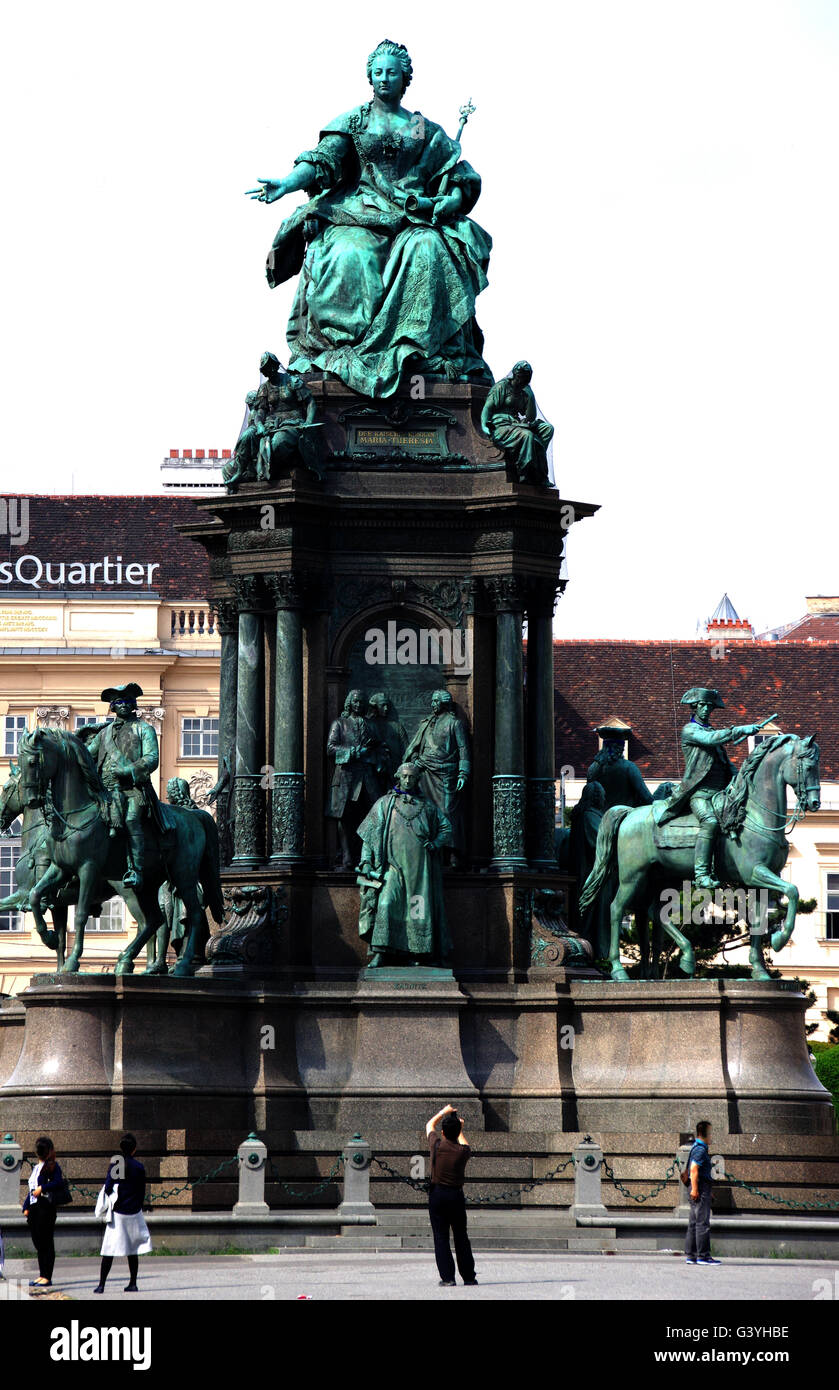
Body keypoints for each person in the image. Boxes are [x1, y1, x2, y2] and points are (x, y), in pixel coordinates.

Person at [246, 39, 493, 398]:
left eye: (392, 72)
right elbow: (321, 160)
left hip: (411, 216)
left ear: (405, 78)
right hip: (357, 213)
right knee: (350, 256)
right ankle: (342, 353)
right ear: (369, 77)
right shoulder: (354, 121)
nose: (384, 79)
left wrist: (450, 199)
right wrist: (287, 183)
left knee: (431, 248)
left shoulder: (419, 127)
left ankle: (414, 351)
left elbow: (451, 172)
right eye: (378, 72)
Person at [659, 687, 767, 891]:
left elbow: (725, 762)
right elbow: (712, 739)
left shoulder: (710, 731)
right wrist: (741, 730)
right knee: (709, 822)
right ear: (695, 707)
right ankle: (701, 874)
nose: (707, 709)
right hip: (699, 793)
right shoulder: (691, 731)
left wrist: (740, 778)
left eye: (710, 706)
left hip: (720, 793)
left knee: (740, 819)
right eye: (703, 705)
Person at [357, 762, 453, 967]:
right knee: (386, 904)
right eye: (405, 776)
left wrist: (436, 843)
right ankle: (381, 952)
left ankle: (418, 954)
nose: (408, 780)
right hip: (392, 868)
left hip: (420, 871)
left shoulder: (428, 807)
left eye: (412, 777)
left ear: (418, 780)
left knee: (417, 911)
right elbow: (369, 836)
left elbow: (446, 828)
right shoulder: (384, 804)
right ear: (398, 777)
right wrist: (365, 861)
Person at [78, 682, 160, 890]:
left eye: (128, 701)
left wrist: (128, 770)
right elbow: (88, 755)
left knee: (132, 818)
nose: (123, 705)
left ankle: (136, 869)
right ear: (113, 706)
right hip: (106, 792)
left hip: (133, 790)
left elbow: (152, 758)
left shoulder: (144, 728)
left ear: (133, 704)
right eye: (119, 701)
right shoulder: (104, 734)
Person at [425, 1104, 477, 1287]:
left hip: (438, 1194)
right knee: (461, 1236)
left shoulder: (437, 1145)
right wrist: (460, 1128)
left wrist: (442, 1112)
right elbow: (464, 1143)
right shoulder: (463, 1152)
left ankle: (448, 1277)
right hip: (456, 1195)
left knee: (441, 1237)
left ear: (443, 1133)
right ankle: (469, 1276)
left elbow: (429, 1126)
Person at [94, 1133, 152, 1294]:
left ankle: (101, 1285)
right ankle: (132, 1282)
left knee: (109, 1249)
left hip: (118, 1211)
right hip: (134, 1211)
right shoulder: (139, 1166)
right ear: (134, 1149)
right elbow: (141, 1191)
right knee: (132, 1250)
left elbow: (108, 1186)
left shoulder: (117, 1164)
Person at [22, 1135, 65, 1289]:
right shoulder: (36, 1168)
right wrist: (26, 1206)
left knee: (46, 1242)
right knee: (39, 1243)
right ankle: (42, 1274)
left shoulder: (53, 1166)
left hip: (45, 1209)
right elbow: (31, 1189)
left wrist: (43, 1188)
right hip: (34, 1209)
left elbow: (58, 1182)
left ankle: (47, 1276)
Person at [685, 1119, 720, 1266]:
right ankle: (703, 1256)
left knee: (694, 1223)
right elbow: (693, 1169)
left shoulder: (697, 1147)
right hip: (700, 1188)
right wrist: (695, 1189)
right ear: (704, 1133)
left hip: (700, 1187)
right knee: (702, 1223)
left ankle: (692, 1256)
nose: (712, 1136)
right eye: (710, 1133)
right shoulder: (700, 1149)